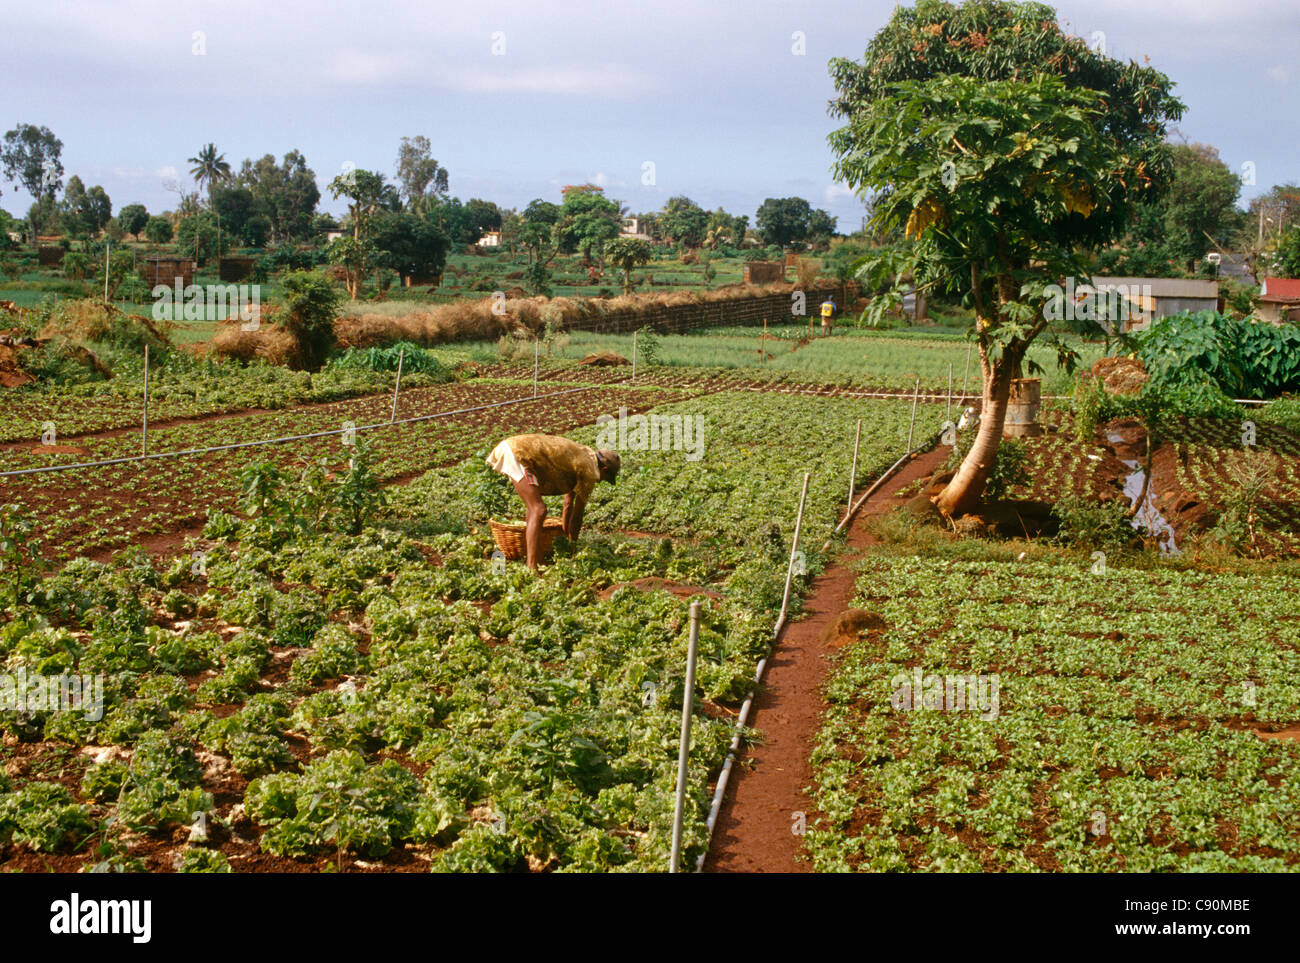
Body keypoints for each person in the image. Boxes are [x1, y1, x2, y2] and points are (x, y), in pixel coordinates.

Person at [485, 434, 621, 571]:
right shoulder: (590, 471)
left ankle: (538, 559)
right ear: (604, 470)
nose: (600, 481)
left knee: (533, 509)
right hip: (519, 455)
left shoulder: (584, 456)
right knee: (538, 510)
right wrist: (572, 546)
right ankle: (532, 567)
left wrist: (564, 536)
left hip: (517, 450)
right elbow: (577, 515)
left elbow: (568, 504)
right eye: (604, 478)